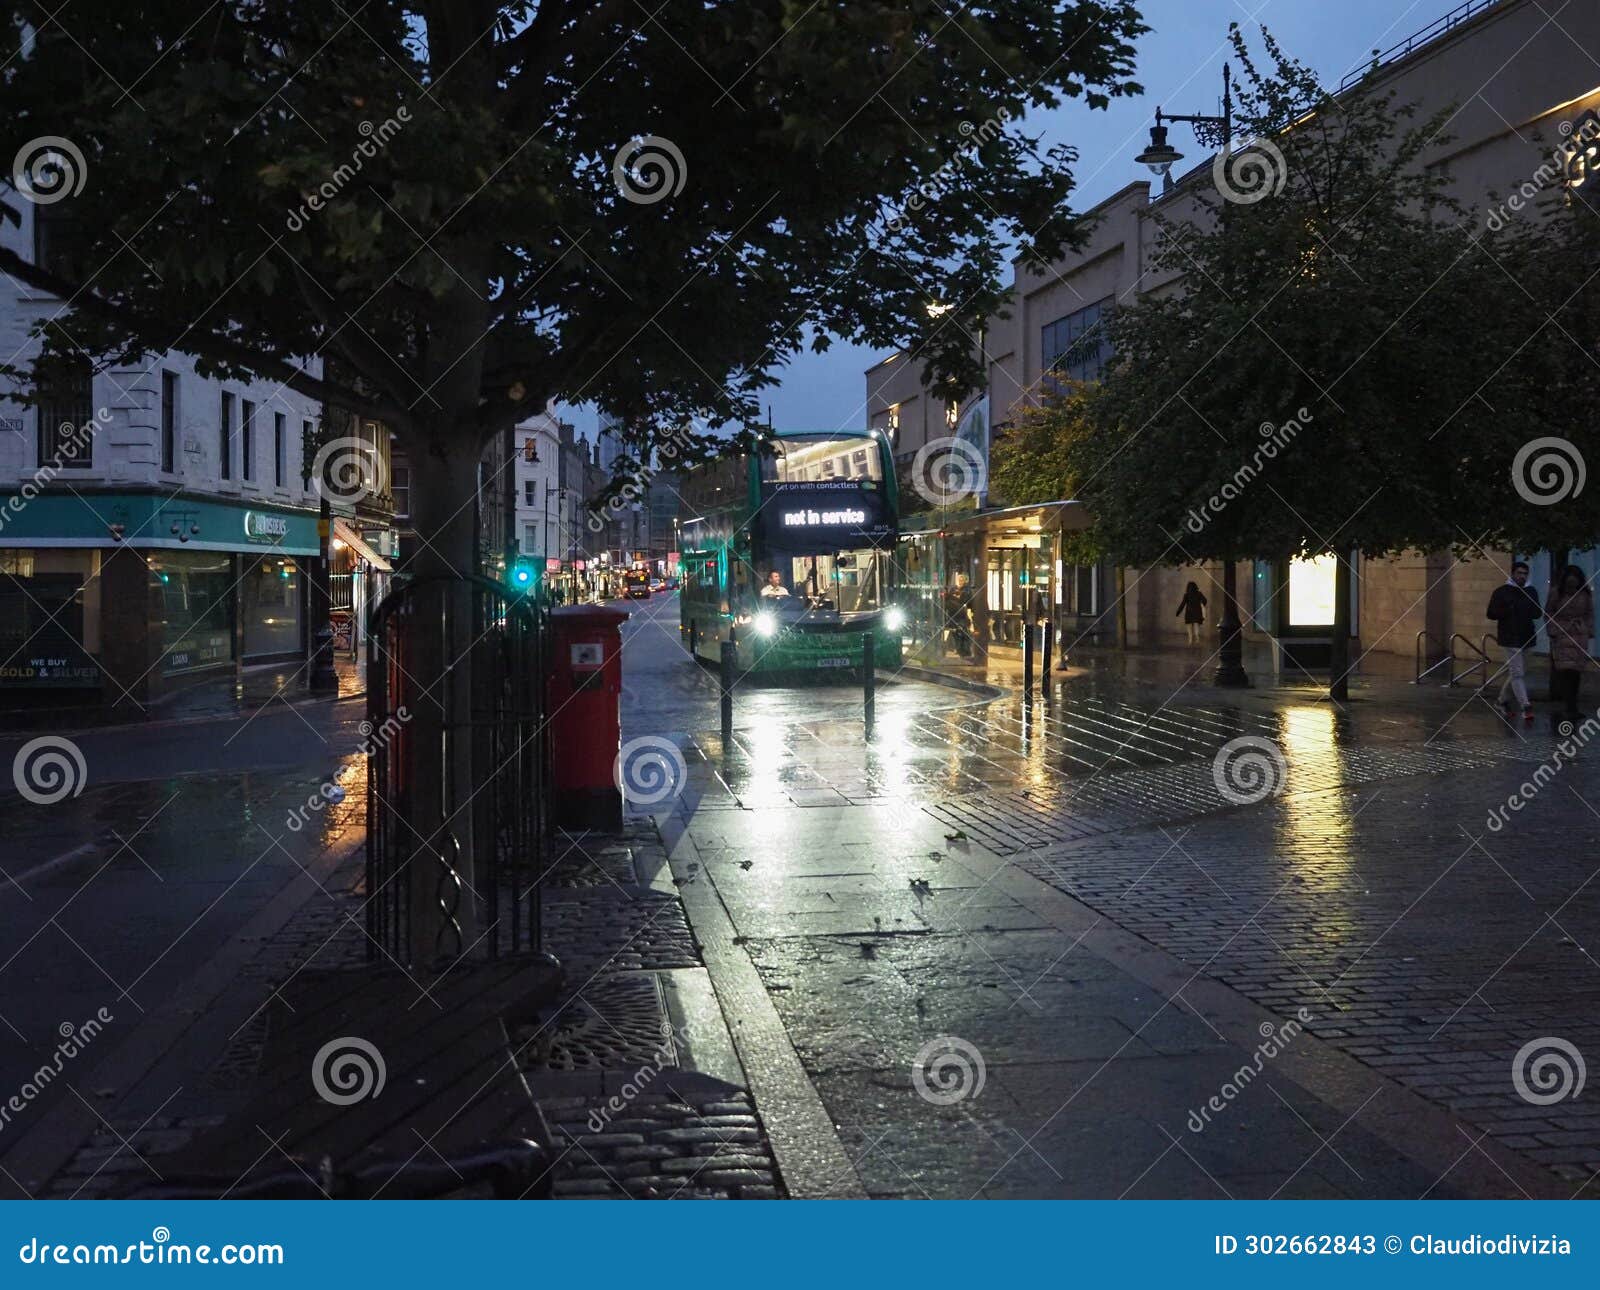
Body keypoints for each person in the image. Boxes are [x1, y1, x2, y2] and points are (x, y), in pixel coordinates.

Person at [1486, 561, 1541, 721]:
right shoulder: (1502, 592)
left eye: (1525, 573)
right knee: (1517, 673)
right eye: (1519, 573)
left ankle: (1502, 701)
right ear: (1512, 574)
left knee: (1518, 672)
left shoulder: (1531, 591)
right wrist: (1507, 609)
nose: (1522, 576)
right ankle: (1526, 706)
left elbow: (1537, 612)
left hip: (1527, 637)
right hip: (1509, 638)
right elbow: (1491, 613)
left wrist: (1530, 609)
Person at [1545, 564, 1593, 730]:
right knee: (1567, 674)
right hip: (1563, 635)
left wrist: (1587, 629)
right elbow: (1549, 613)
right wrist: (1555, 630)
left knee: (1576, 673)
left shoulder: (1585, 594)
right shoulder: (1556, 593)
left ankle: (1572, 706)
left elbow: (1589, 613)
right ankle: (1570, 707)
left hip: (1579, 636)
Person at [1176, 580, 1208, 644]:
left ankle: (1190, 639)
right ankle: (1197, 637)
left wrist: (1178, 612)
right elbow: (1205, 600)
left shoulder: (1186, 595)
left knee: (1189, 626)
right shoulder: (1199, 593)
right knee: (1196, 626)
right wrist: (1202, 603)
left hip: (1189, 613)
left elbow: (1182, 604)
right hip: (1197, 613)